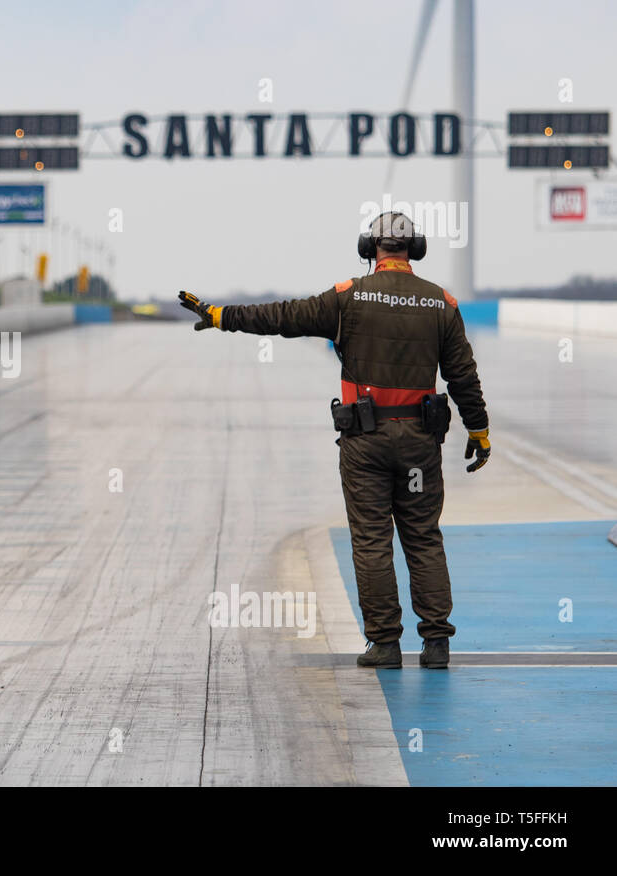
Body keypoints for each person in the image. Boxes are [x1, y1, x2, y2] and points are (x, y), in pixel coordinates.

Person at [179, 212, 490, 669]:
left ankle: (384, 644)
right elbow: (463, 375)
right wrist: (478, 430)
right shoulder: (441, 303)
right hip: (420, 445)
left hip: (364, 444)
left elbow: (282, 317)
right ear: (415, 249)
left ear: (371, 249)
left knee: (371, 540)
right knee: (423, 538)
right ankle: (437, 643)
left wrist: (222, 315)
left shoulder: (348, 298)